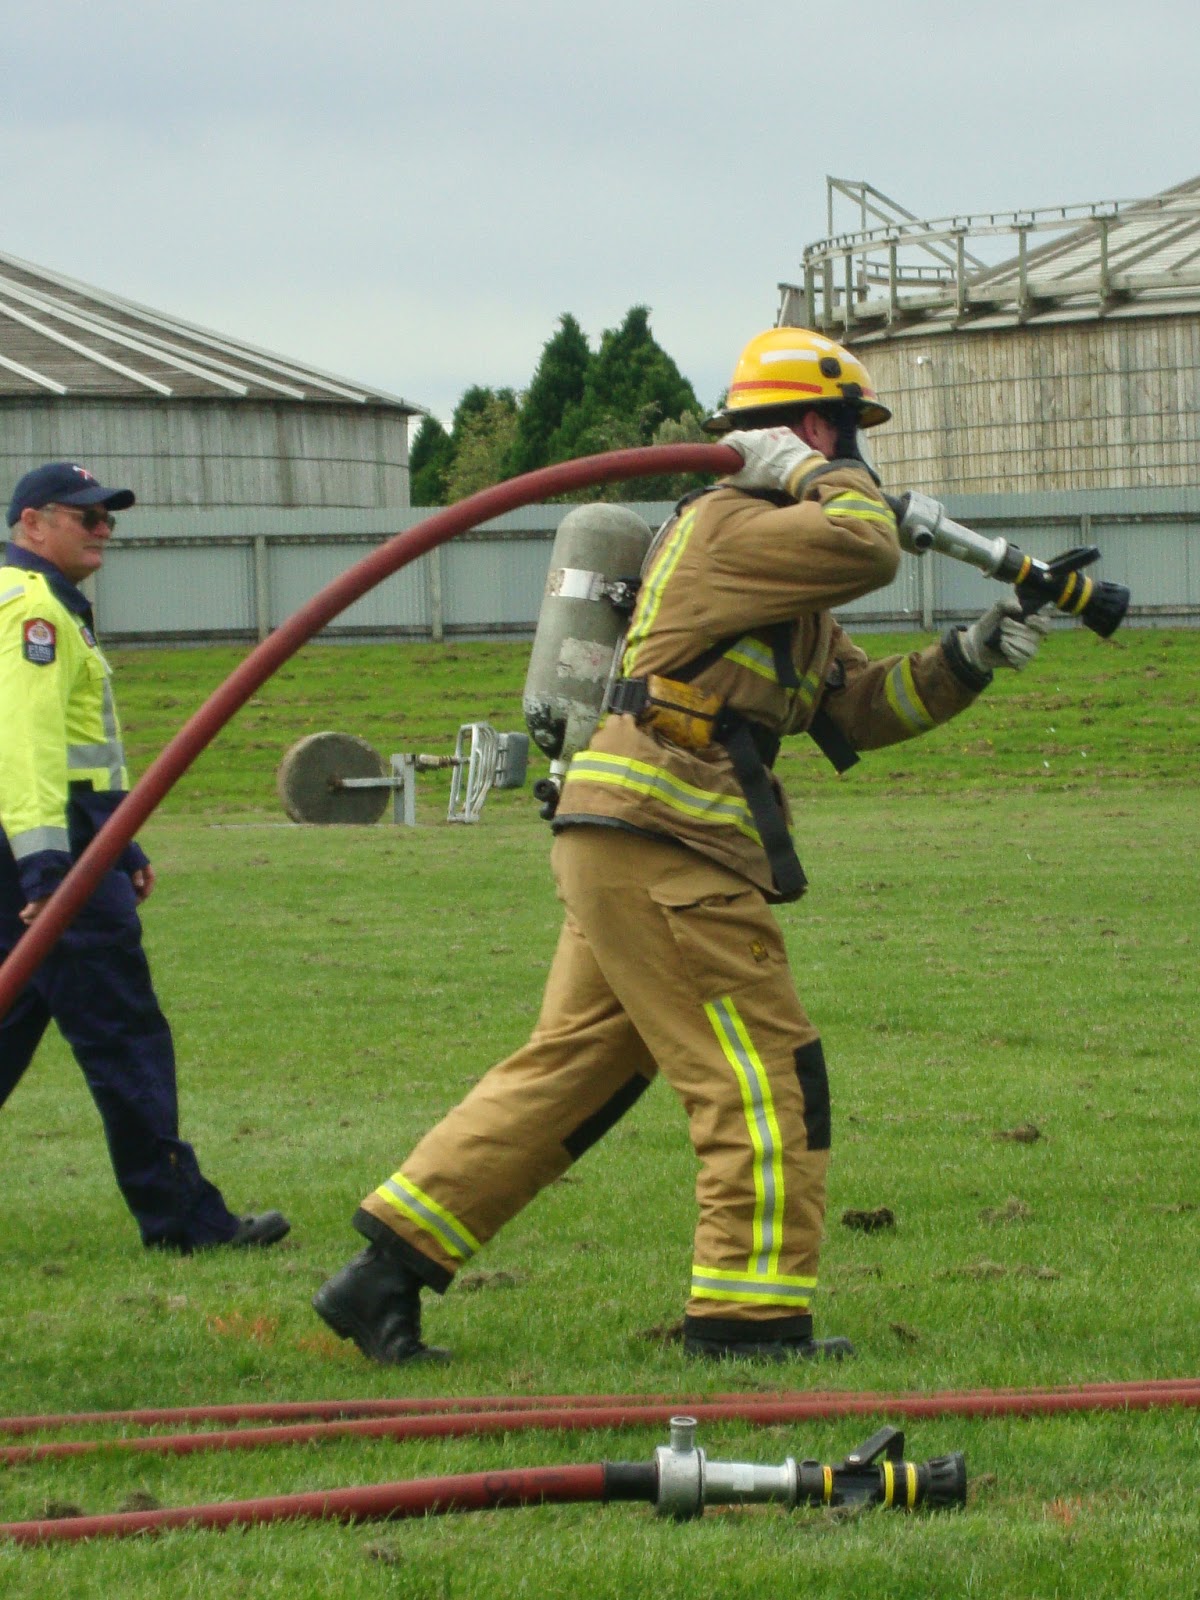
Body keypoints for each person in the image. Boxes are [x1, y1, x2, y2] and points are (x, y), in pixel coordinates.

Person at [313, 327, 1048, 1364]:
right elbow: (871, 540)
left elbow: (853, 710)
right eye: (844, 432)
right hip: (670, 835)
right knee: (763, 1075)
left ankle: (382, 1272)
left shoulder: (773, 560)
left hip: (635, 829)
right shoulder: (733, 523)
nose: (859, 457)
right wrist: (814, 472)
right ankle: (747, 1322)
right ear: (808, 426)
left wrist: (970, 657)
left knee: (574, 1069)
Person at [0, 461, 290, 1253]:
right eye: (85, 516)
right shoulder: (34, 613)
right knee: (125, 1038)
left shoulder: (40, 604)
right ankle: (184, 1222)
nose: (103, 530)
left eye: (109, 519)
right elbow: (25, 750)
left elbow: (79, 753)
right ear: (32, 522)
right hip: (51, 853)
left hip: (62, 839)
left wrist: (121, 840)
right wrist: (48, 869)